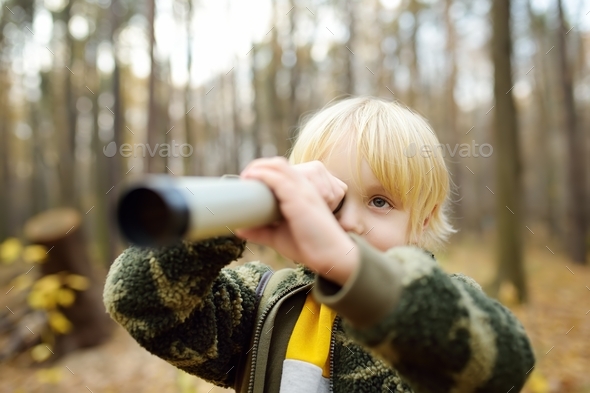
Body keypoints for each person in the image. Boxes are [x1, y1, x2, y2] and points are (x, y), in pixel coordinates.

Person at [103, 96, 535, 393]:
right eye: (330, 200)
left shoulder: (438, 306)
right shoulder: (263, 303)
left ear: (421, 221)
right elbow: (138, 302)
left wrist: (354, 268)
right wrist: (235, 213)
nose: (349, 222)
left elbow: (506, 369)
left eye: (380, 201)